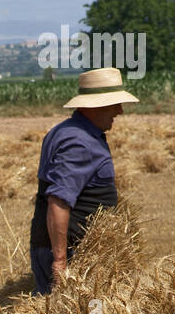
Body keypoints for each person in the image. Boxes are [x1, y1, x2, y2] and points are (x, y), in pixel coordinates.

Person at [30, 67, 139, 295]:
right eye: (114, 104)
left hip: (70, 250)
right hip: (75, 254)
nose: (120, 111)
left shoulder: (66, 130)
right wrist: (60, 262)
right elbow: (59, 200)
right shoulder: (79, 143)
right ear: (95, 105)